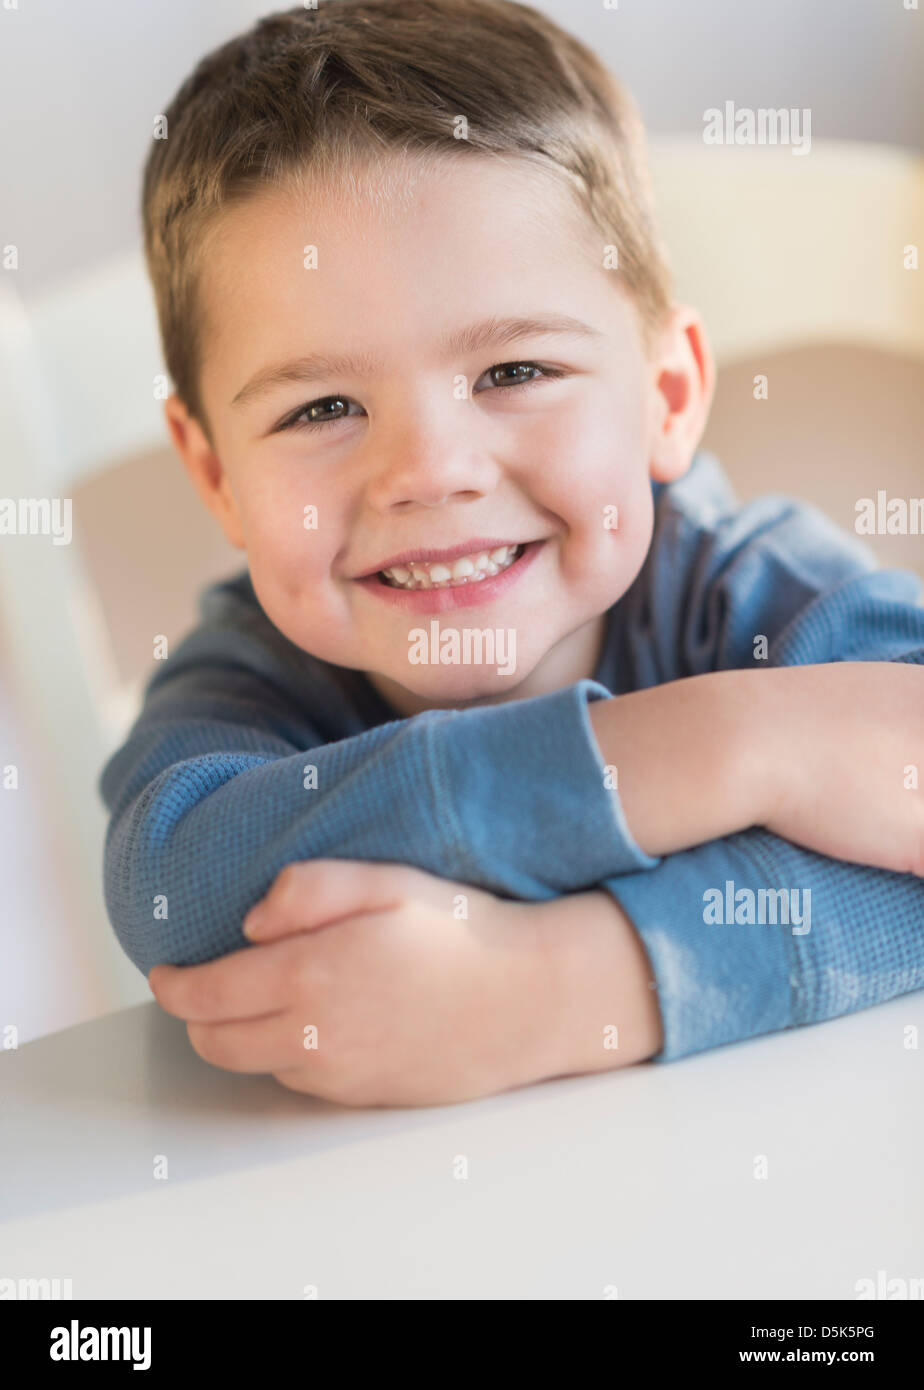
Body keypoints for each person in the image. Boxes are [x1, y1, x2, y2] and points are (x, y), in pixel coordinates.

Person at [99, 0, 924, 1106]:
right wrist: (731, 748)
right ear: (216, 479)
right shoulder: (252, 676)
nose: (430, 469)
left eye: (512, 373)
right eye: (324, 405)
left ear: (667, 396)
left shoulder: (759, 592)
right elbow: (174, 889)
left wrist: (559, 986)